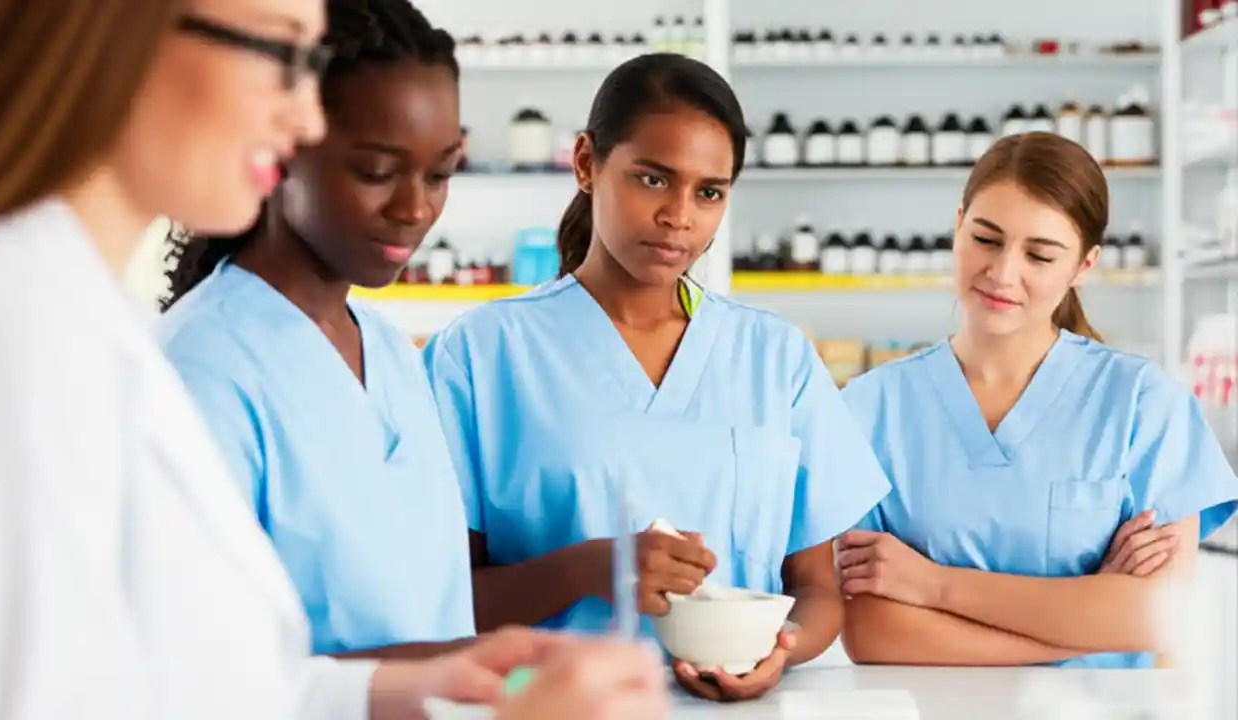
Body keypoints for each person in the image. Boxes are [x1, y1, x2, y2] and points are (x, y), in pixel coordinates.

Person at [0, 1, 667, 718]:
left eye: (441, 171)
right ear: (120, 28)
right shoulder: (25, 337)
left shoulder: (94, 322)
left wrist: (446, 682)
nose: (304, 118)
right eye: (281, 54)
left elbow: (213, 680)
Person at [423, 53, 891, 702]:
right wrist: (594, 568)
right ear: (587, 163)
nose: (680, 216)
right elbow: (440, 597)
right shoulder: (481, 354)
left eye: (709, 192)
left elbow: (816, 591)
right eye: (652, 179)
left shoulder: (775, 357)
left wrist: (778, 652)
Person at [835, 132, 1238, 669]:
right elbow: (871, 632)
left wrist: (933, 586)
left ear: (1083, 267)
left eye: (1041, 255)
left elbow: (1155, 613)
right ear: (957, 226)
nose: (1003, 273)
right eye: (986, 239)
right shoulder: (871, 407)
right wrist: (1090, 625)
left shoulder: (1144, 406)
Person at [159, 0, 473, 661]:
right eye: (376, 171)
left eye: (441, 172)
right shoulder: (201, 368)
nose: (415, 208)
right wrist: (471, 675)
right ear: (283, 147)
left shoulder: (389, 352)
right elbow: (197, 673)